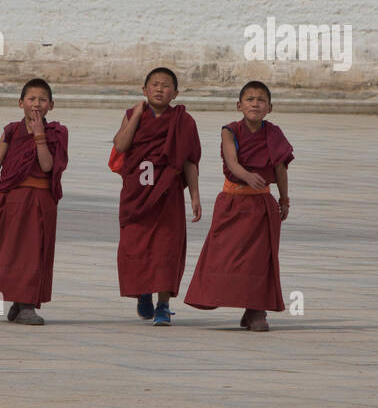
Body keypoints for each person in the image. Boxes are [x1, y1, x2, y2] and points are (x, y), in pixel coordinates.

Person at [184, 81, 293, 331]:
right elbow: (231, 162)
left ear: (270, 108)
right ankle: (222, 297)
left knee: (259, 259)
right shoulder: (229, 130)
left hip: (262, 204)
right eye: (250, 99)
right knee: (223, 256)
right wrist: (246, 176)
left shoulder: (274, 134)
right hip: (232, 202)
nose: (255, 104)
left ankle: (256, 311)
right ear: (239, 105)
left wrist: (284, 198)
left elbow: (280, 168)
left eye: (261, 100)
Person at [0, 78, 68, 326]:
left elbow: (47, 165)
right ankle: (17, 300)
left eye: (43, 99)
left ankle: (26, 305)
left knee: (32, 254)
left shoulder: (57, 133)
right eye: (31, 99)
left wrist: (39, 137)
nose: (37, 104)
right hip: (11, 200)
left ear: (51, 105)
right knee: (10, 252)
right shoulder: (12, 131)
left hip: (39, 201)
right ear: (20, 103)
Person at [112, 68, 202, 326]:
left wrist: (195, 196)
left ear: (175, 93)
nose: (160, 89)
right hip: (135, 196)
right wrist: (137, 115)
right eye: (154, 84)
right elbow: (120, 145)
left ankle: (163, 305)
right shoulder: (132, 115)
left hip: (167, 197)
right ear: (144, 90)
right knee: (136, 247)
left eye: (166, 86)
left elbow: (189, 161)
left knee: (166, 251)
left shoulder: (183, 121)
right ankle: (143, 292)